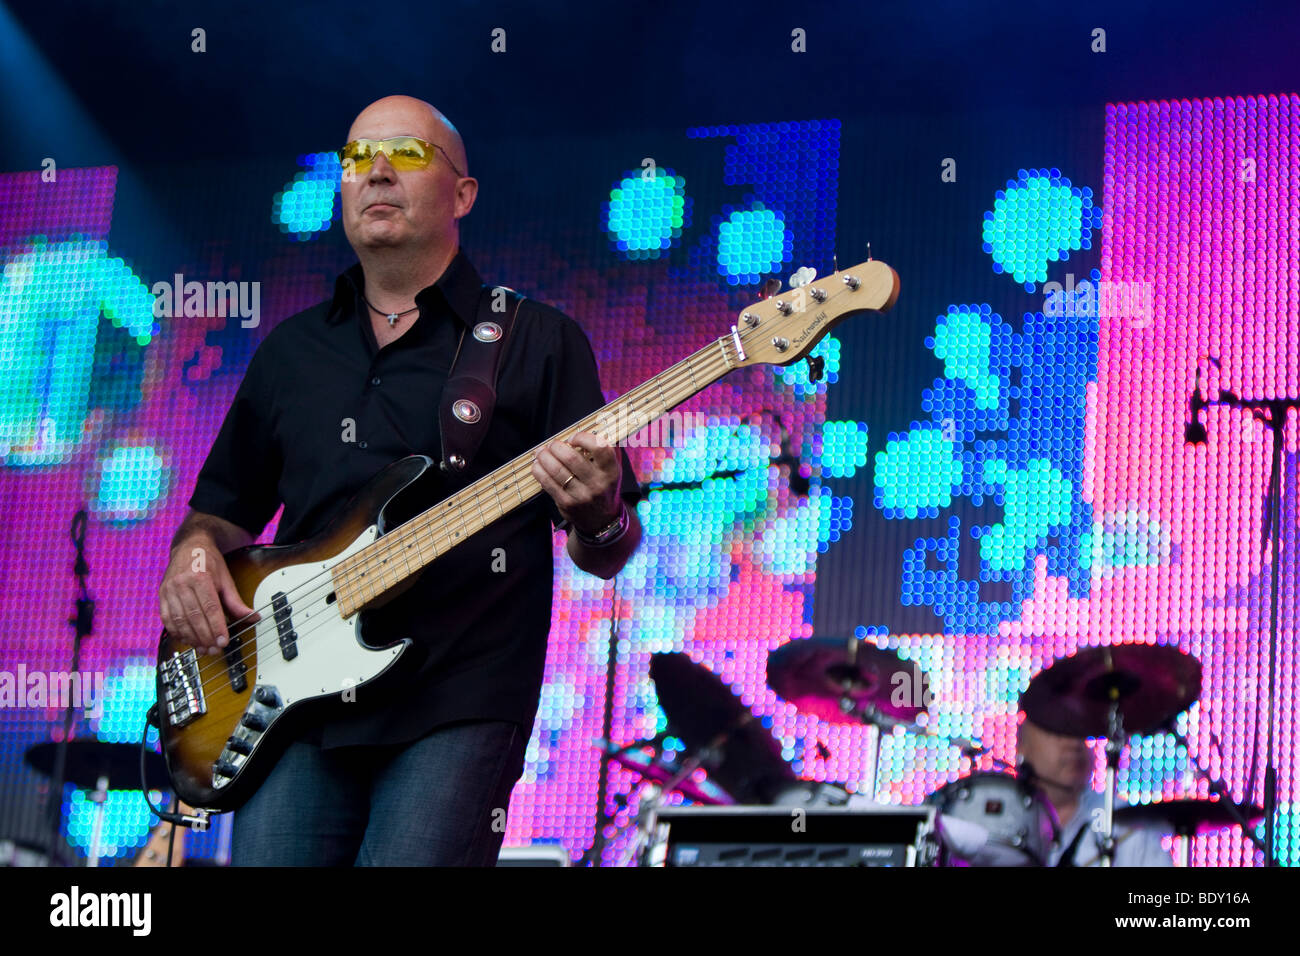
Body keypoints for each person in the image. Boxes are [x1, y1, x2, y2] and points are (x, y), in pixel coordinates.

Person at [157, 95, 642, 866]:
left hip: (458, 700)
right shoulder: (291, 352)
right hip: (293, 706)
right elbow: (219, 515)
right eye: (356, 159)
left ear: (463, 193)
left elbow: (608, 549)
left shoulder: (535, 341)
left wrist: (601, 513)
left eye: (407, 154)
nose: (376, 172)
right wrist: (192, 559)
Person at [1016, 717, 1174, 866]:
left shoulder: (1126, 824)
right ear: (1022, 747)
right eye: (1056, 731)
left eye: (1079, 732)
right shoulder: (1000, 817)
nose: (1073, 743)